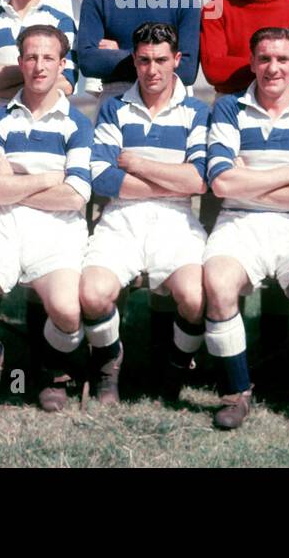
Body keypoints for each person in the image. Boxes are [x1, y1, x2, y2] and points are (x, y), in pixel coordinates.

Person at [0, 25, 93, 413]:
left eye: (48, 58)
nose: (39, 66)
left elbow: (74, 196)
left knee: (68, 311)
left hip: (56, 232)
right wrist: (45, 179)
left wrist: (13, 179)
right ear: (20, 62)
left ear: (62, 65)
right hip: (2, 227)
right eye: (31, 57)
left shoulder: (77, 124)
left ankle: (51, 368)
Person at [203, 27, 289, 431]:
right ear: (251, 62)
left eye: (282, 59)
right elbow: (221, 184)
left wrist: (250, 178)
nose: (272, 68)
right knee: (219, 283)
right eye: (264, 58)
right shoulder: (229, 108)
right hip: (238, 221)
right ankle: (235, 391)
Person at [80, 22, 210, 404]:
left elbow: (198, 180)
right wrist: (174, 178)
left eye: (161, 60)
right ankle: (109, 362)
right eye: (144, 61)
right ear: (134, 61)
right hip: (122, 217)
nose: (152, 70)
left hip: (176, 219)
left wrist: (137, 164)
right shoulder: (114, 108)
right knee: (92, 294)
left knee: (196, 298)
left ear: (177, 60)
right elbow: (102, 176)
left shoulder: (196, 111)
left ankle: (175, 367)